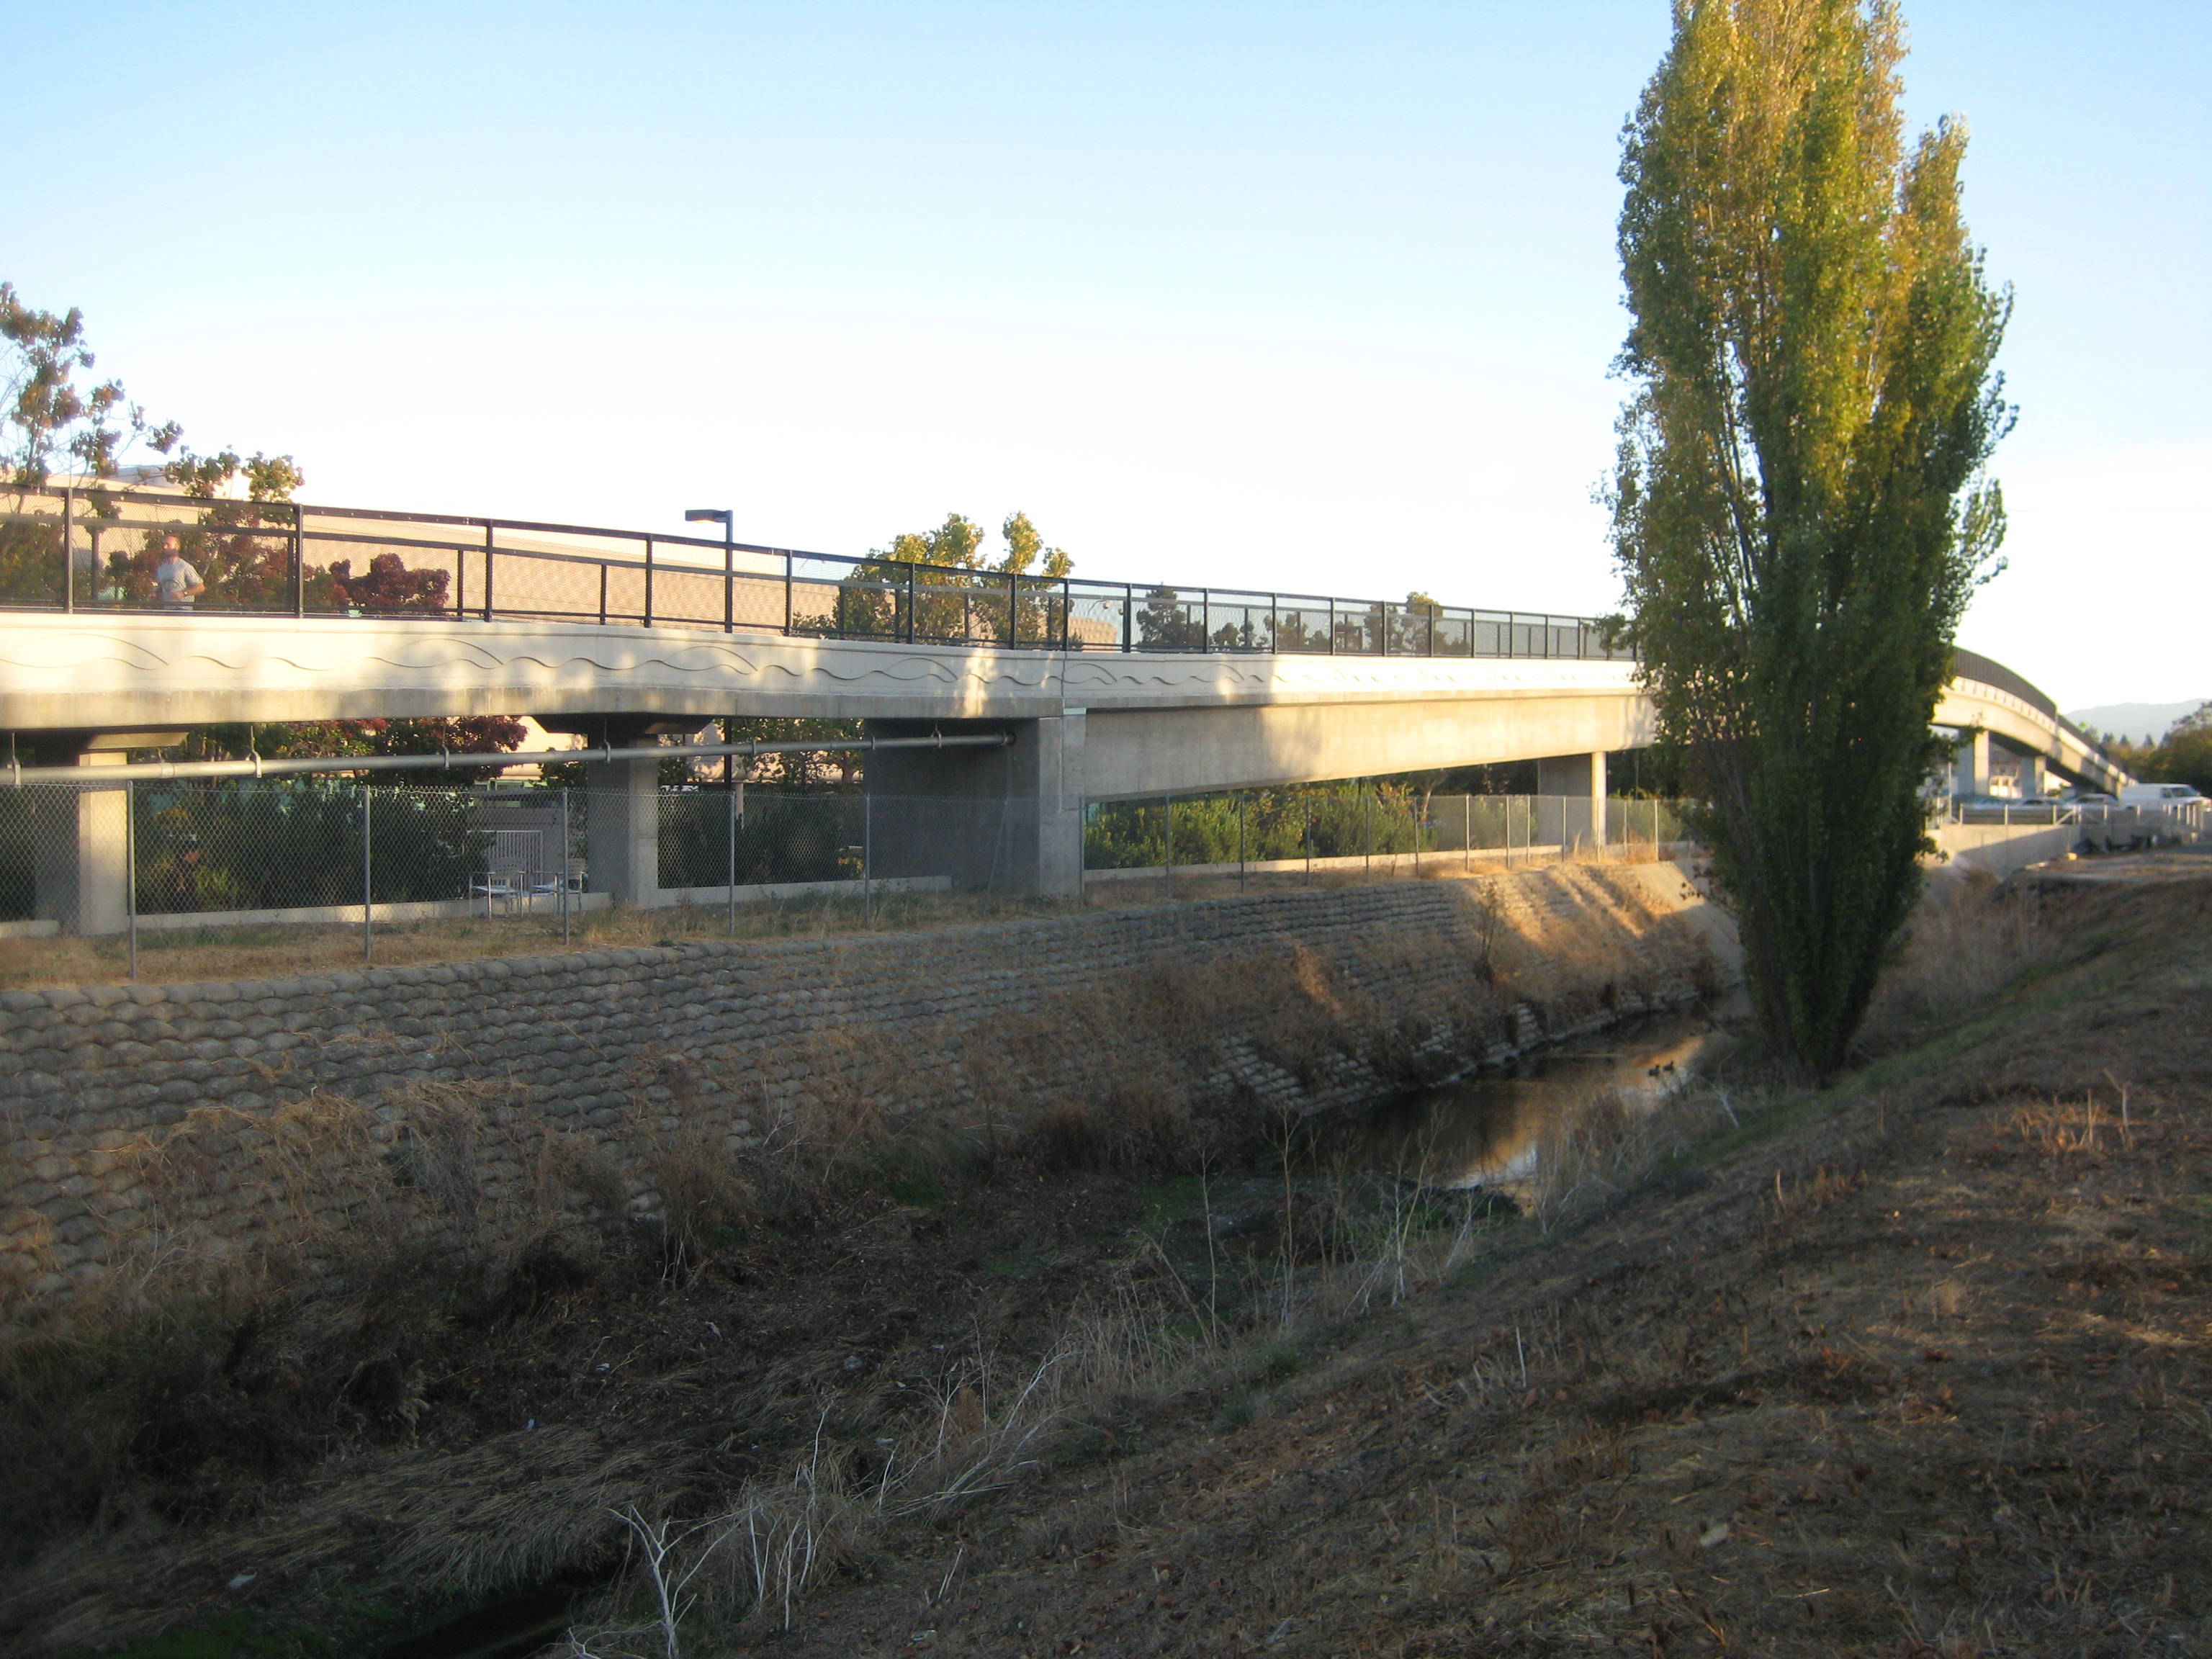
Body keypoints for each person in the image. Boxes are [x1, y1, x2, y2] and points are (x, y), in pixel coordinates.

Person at [153, 534, 206, 611]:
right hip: (167, 609)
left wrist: (183, 594)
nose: (165, 547)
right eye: (164, 544)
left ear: (177, 547)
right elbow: (162, 587)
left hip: (182, 609)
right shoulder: (161, 569)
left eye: (168, 545)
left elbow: (200, 587)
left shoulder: (185, 567)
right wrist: (155, 594)